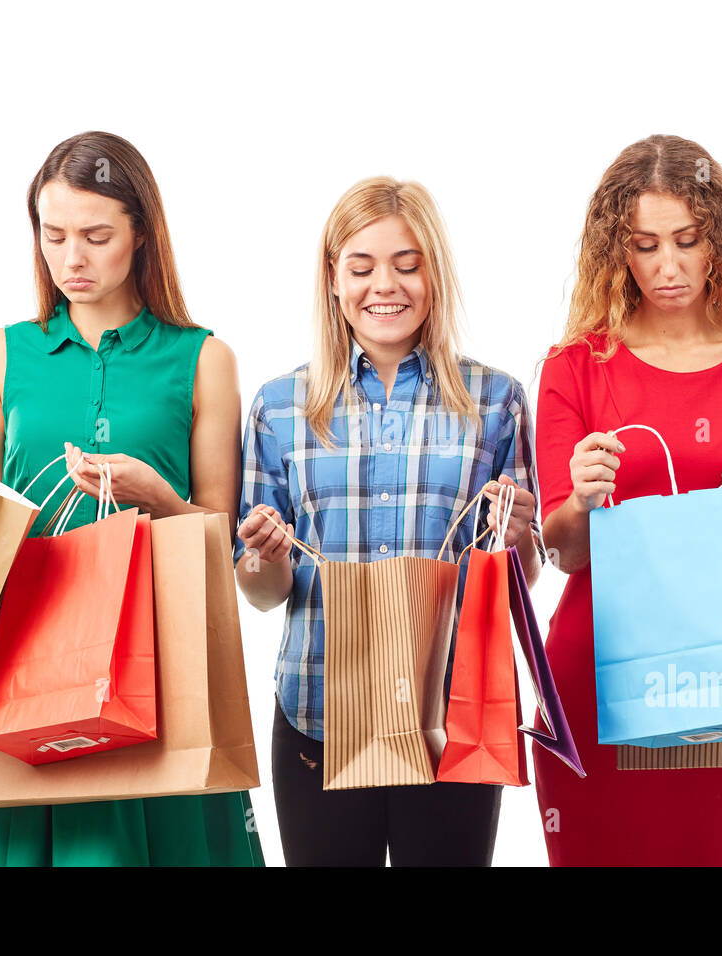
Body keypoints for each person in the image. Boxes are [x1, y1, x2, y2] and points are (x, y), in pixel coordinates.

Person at [0, 130, 263, 866]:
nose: (71, 259)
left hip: (155, 670)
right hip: (24, 659)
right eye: (53, 235)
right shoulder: (5, 351)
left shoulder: (204, 359)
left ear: (142, 236)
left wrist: (157, 496)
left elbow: (221, 550)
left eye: (96, 236)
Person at [233, 176, 545, 866]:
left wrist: (521, 536)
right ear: (333, 277)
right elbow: (259, 592)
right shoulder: (278, 407)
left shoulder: (497, 402)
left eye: (409, 265)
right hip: (317, 709)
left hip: (450, 713)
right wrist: (266, 555)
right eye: (363, 266)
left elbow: (523, 578)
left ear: (435, 274)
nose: (387, 286)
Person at [533, 134, 722, 866]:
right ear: (616, 251)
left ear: (718, 240)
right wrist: (584, 497)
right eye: (645, 245)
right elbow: (562, 547)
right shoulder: (573, 366)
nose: (667, 267)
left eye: (687, 241)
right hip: (595, 676)